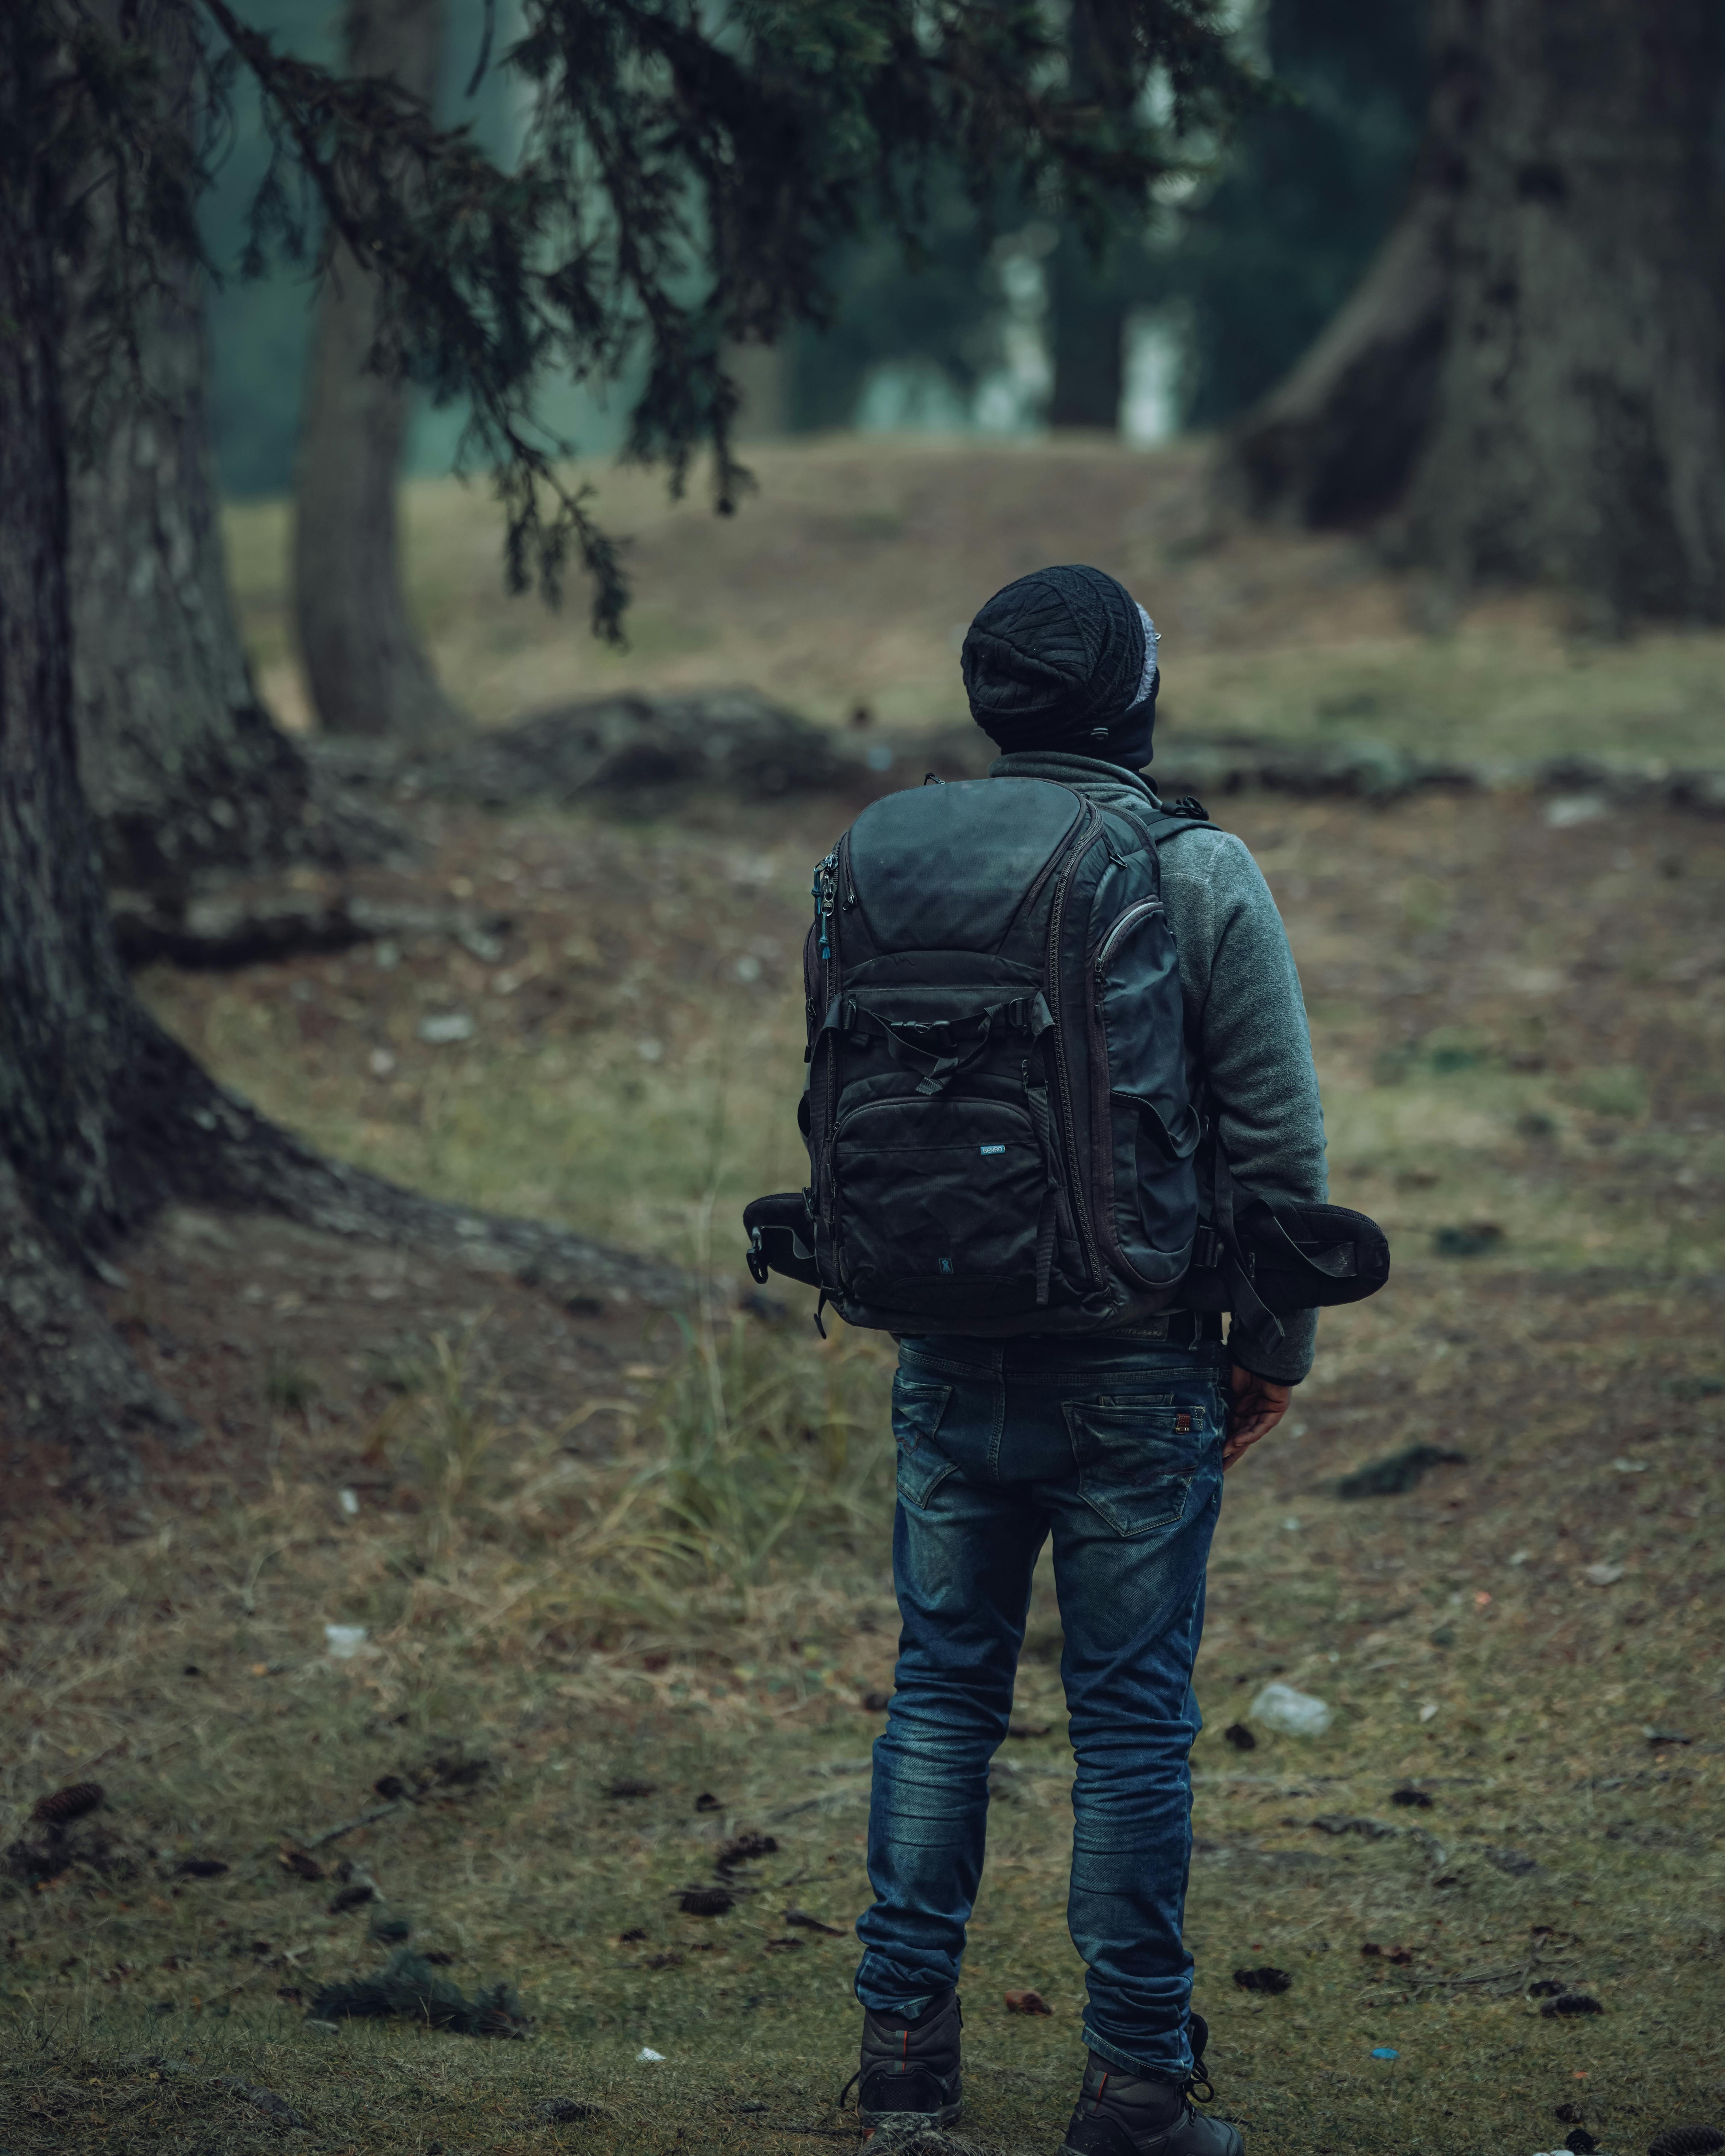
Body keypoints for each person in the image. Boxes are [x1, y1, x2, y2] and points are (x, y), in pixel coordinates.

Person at [849, 564, 1328, 2156]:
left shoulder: (886, 861)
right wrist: (1272, 1352)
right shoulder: (1194, 868)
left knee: (937, 1702)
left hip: (946, 1349)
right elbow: (1275, 1141)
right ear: (1130, 696)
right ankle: (1132, 2087)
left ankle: (902, 2066)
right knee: (1127, 1725)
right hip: (1138, 1363)